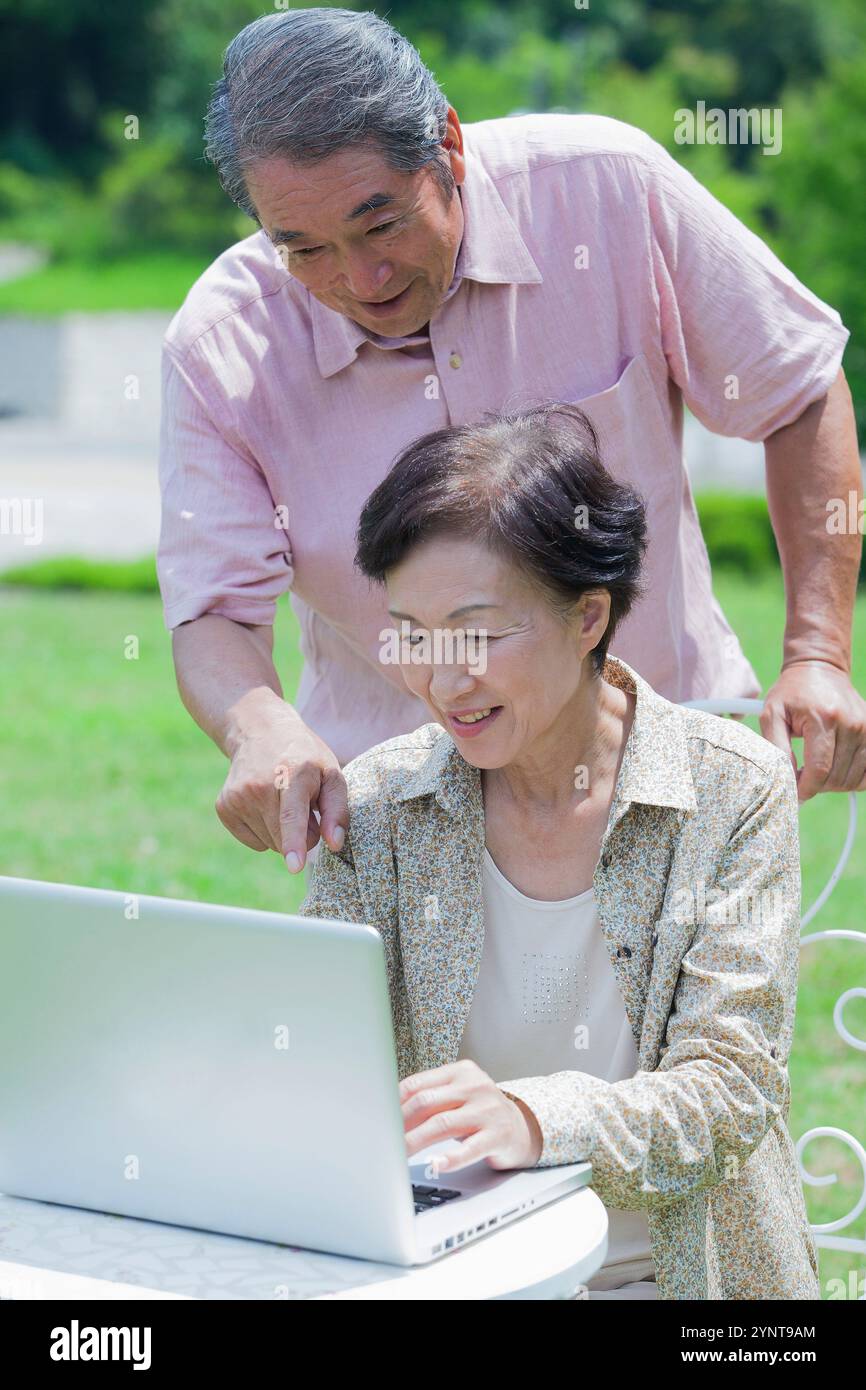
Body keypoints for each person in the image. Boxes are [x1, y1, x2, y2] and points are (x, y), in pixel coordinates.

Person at [156, 7, 864, 883]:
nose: (359, 280)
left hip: (676, 778)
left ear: (447, 147)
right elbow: (214, 607)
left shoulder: (609, 189)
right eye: (303, 249)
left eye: (381, 225)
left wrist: (817, 656)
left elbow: (796, 390)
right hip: (402, 831)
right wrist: (255, 725)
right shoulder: (221, 345)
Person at [298, 401, 820, 1301]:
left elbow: (731, 1088)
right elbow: (313, 1061)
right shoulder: (379, 803)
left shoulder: (736, 791)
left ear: (588, 617)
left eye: (479, 632)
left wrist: (534, 1117)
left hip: (691, 1287)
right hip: (459, 1280)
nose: (443, 679)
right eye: (415, 638)